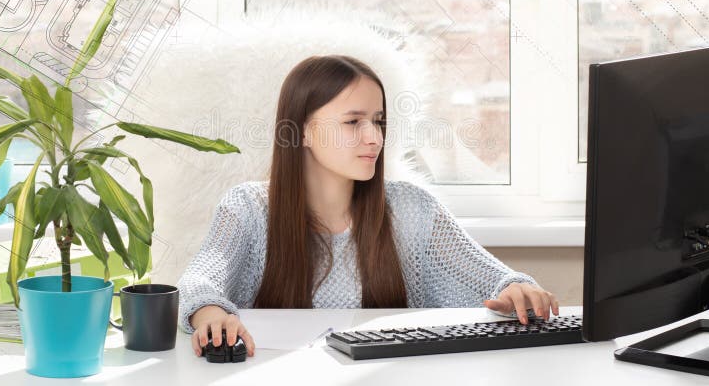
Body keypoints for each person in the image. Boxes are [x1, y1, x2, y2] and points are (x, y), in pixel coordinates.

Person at [177, 54, 559, 358]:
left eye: (378, 121)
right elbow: (199, 282)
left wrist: (518, 288)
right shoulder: (247, 207)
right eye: (352, 122)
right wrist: (209, 313)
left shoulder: (413, 209)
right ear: (303, 130)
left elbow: (490, 278)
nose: (373, 137)